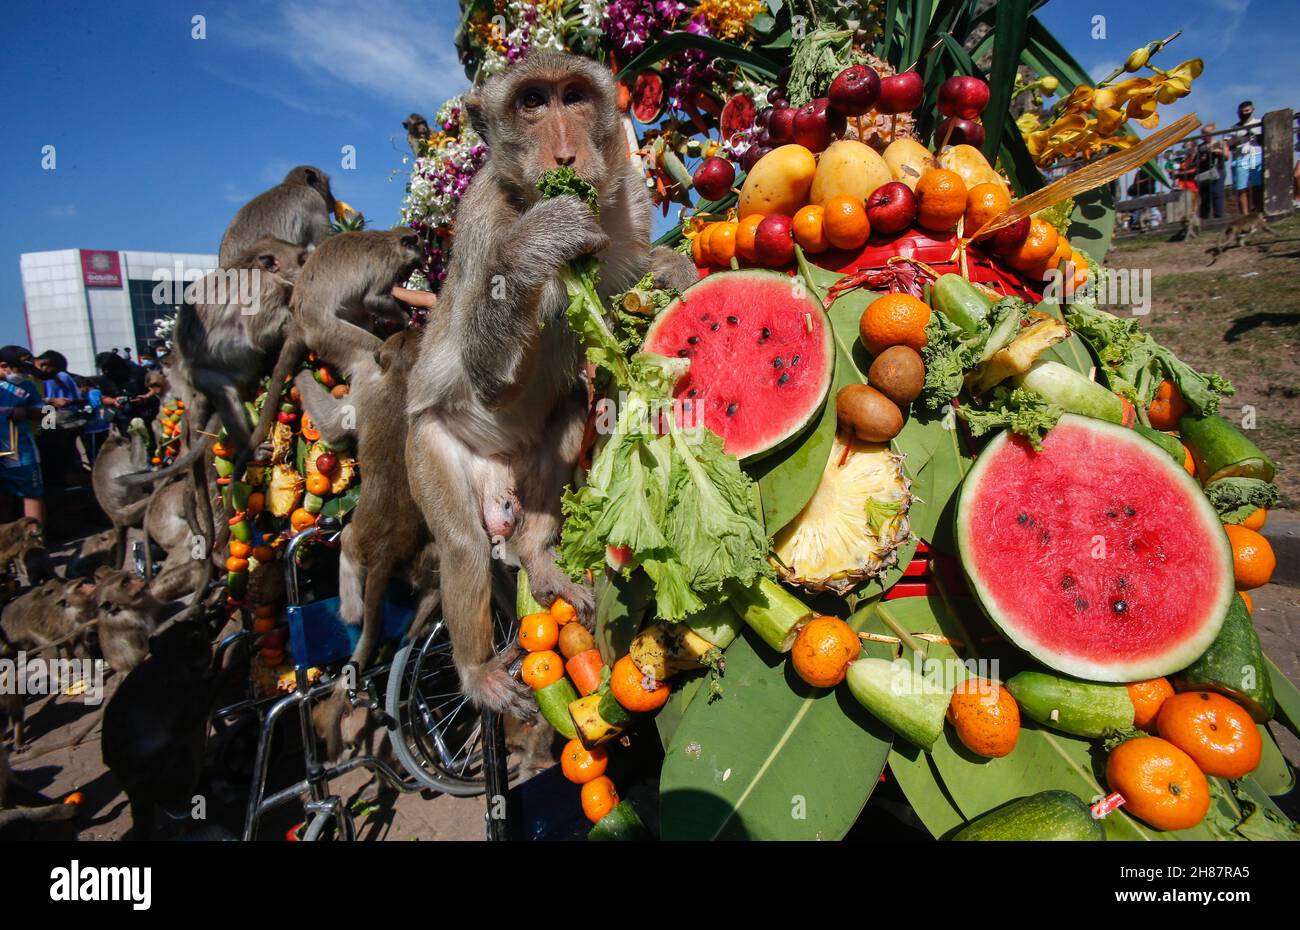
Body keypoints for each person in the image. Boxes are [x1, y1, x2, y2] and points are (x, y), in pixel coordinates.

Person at [0, 346, 47, 525]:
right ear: (4, 365)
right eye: (22, 369)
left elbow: (47, 414)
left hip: (20, 450)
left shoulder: (27, 385)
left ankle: (35, 542)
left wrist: (26, 412)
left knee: (32, 494)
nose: (25, 374)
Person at [1229, 101, 1263, 215]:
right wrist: (1239, 140)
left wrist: (1254, 135)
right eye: (1242, 112)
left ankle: (1258, 211)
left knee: (1257, 185)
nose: (1245, 114)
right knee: (1241, 187)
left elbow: (1265, 138)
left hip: (1256, 155)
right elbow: (1229, 143)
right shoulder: (1234, 128)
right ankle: (1245, 213)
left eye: (1247, 111)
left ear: (1253, 110)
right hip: (1241, 157)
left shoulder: (1259, 123)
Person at [1194, 125, 1229, 220]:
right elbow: (1194, 162)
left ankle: (1219, 217)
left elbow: (1226, 156)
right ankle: (1204, 219)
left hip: (1218, 171)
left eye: (1208, 133)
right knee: (1205, 197)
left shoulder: (1220, 143)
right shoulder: (1199, 147)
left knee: (1217, 193)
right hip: (1204, 174)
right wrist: (1201, 159)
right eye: (1204, 133)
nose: (1205, 135)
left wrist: (1218, 152)